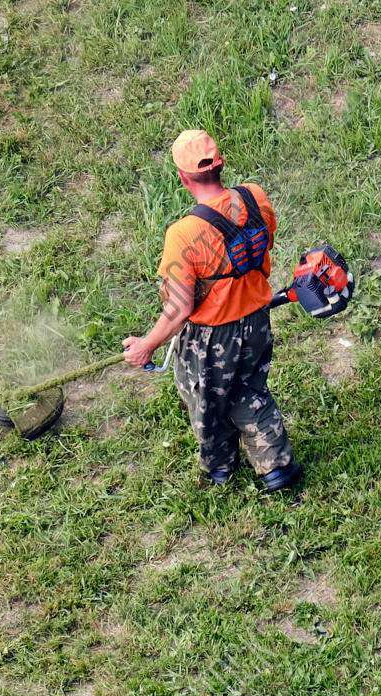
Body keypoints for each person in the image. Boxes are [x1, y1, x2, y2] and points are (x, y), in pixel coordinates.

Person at [122, 129, 302, 491]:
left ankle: (220, 467)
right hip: (256, 319)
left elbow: (179, 308)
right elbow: (264, 236)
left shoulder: (183, 234)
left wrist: (147, 345)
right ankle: (276, 466)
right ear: (220, 165)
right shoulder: (255, 197)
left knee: (206, 397)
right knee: (250, 389)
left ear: (182, 177)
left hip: (212, 336)